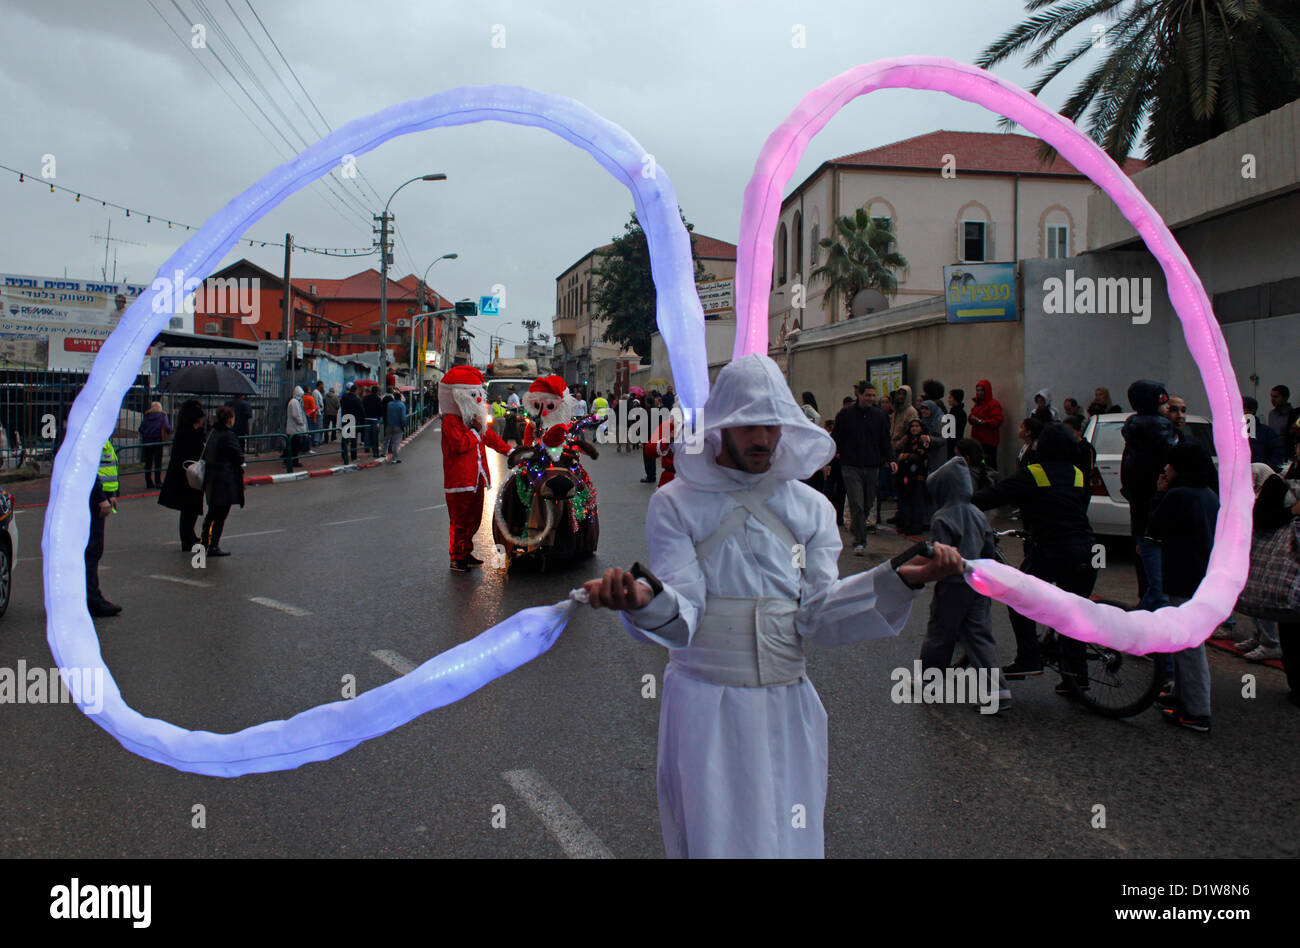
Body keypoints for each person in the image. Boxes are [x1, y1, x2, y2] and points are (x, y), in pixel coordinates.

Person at [580, 353, 963, 858]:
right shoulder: (675, 503)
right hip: (705, 710)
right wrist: (641, 599)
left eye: (772, 425)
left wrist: (897, 581)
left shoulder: (812, 509)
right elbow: (684, 611)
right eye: (748, 426)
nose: (762, 439)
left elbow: (819, 617)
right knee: (713, 840)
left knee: (789, 841)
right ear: (721, 429)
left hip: (788, 707)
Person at [973, 423, 1096, 689]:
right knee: (1074, 612)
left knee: (1019, 599)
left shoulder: (1034, 473)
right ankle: (1077, 679)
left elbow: (995, 495)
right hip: (1086, 547)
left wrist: (963, 498)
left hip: (1052, 548)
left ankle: (1028, 658)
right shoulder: (1077, 473)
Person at [1143, 442, 1219, 732]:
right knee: (1185, 640)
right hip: (1204, 576)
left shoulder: (1178, 496)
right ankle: (1181, 693)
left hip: (1183, 575)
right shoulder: (1209, 495)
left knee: (1189, 644)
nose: (1166, 469)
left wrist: (1159, 495)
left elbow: (1156, 529)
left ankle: (1197, 711)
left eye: (1171, 465)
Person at [919, 456, 1006, 707]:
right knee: (980, 635)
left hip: (953, 585)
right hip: (979, 582)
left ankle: (930, 682)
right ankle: (997, 690)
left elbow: (942, 556)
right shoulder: (978, 514)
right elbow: (989, 547)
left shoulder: (943, 517)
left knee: (940, 633)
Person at [440, 366, 511, 571]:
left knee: (474, 518)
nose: (478, 399)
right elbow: (459, 445)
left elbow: (492, 439)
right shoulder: (451, 421)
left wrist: (511, 452)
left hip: (477, 478)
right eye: (473, 395)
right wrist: (475, 431)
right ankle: (457, 556)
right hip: (459, 481)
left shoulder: (473, 421)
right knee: (460, 520)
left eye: (479, 394)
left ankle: (466, 551)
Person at [1121, 379, 1176, 597]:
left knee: (1142, 545)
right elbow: (1171, 458)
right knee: (1160, 547)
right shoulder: (1161, 427)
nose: (1168, 407)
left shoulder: (1132, 428)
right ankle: (1156, 596)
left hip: (1137, 497)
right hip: (1158, 495)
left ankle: (1145, 592)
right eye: (1163, 401)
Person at [832, 382, 897, 554]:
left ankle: (856, 526)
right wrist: (830, 459)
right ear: (859, 395)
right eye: (867, 395)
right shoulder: (845, 415)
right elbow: (836, 438)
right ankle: (860, 541)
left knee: (868, 502)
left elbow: (885, 440)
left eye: (873, 395)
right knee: (857, 503)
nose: (871, 398)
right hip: (850, 465)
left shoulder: (880, 416)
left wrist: (891, 459)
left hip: (872, 464)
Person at [158, 399, 206, 550]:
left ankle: (189, 535)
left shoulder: (185, 430)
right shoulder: (189, 432)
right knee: (189, 507)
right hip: (188, 475)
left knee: (189, 508)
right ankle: (187, 539)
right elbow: (195, 451)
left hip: (185, 474)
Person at [200, 405, 244, 557]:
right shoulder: (228, 435)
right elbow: (238, 457)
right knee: (220, 514)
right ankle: (213, 545)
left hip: (212, 478)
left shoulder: (213, 433)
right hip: (224, 479)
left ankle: (205, 541)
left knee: (212, 512)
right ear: (229, 419)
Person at [85, 477, 121, 617]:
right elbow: (88, 469)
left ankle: (75, 598)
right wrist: (100, 497)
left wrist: (110, 493)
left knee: (84, 551)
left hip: (79, 496)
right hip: (89, 498)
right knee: (91, 551)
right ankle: (92, 599)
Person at [896, 418, 931, 534]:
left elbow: (919, 456)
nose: (914, 428)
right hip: (907, 475)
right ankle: (907, 524)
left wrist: (905, 456)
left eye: (917, 426)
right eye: (912, 426)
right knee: (907, 501)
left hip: (918, 475)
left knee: (917, 502)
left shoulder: (923, 439)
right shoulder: (909, 440)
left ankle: (916, 526)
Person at [967, 379, 1003, 471]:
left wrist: (982, 422)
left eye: (981, 390)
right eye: (977, 390)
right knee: (979, 463)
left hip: (988, 441)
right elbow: (972, 415)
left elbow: (997, 420)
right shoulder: (978, 404)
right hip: (977, 439)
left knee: (989, 464)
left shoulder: (993, 404)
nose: (979, 393)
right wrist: (972, 419)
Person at [138, 401, 171, 490]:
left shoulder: (147, 416)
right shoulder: (163, 416)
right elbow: (168, 428)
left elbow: (141, 429)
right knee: (158, 462)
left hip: (147, 442)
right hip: (158, 441)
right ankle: (158, 482)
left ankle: (148, 482)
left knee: (148, 463)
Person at [1245, 396, 1284, 469]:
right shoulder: (1232, 432)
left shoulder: (1266, 432)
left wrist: (1265, 471)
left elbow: (1277, 455)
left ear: (1252, 411)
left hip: (1261, 474)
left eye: (1242, 409)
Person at [1062, 414, 1096, 491]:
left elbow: (1088, 471)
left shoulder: (1087, 448)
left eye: (1070, 431)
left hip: (1081, 488)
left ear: (1079, 432)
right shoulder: (1064, 446)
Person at [338, 383, 365, 464]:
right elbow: (361, 410)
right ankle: (353, 456)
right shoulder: (356, 400)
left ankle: (344, 454)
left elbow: (341, 404)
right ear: (355, 390)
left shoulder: (344, 397)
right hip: (353, 419)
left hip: (345, 417)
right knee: (353, 440)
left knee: (345, 438)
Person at [285, 386, 308, 467]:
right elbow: (296, 415)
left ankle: (292, 461)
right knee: (294, 447)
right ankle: (294, 462)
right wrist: (301, 422)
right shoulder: (294, 402)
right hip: (294, 429)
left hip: (293, 428)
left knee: (293, 447)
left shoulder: (295, 402)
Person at [384, 387, 407, 462]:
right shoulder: (402, 405)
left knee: (386, 440)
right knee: (396, 443)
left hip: (389, 425)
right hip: (398, 426)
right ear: (400, 398)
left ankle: (384, 453)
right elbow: (403, 417)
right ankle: (395, 459)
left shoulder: (389, 404)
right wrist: (404, 425)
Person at [98, 438, 119, 511]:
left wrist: (111, 494)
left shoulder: (106, 444)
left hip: (104, 491)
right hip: (98, 493)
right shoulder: (97, 444)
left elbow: (111, 470)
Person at [363, 385, 384, 457]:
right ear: (377, 391)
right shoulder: (378, 399)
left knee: (367, 434)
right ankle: (375, 450)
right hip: (375, 419)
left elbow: (363, 407)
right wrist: (379, 416)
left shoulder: (366, 398)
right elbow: (381, 409)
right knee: (375, 435)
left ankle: (366, 448)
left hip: (367, 418)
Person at [946, 388, 967, 456]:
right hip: (952, 442)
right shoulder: (953, 411)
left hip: (955, 443)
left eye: (950, 397)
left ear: (956, 398)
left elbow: (954, 431)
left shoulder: (959, 413)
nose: (948, 400)